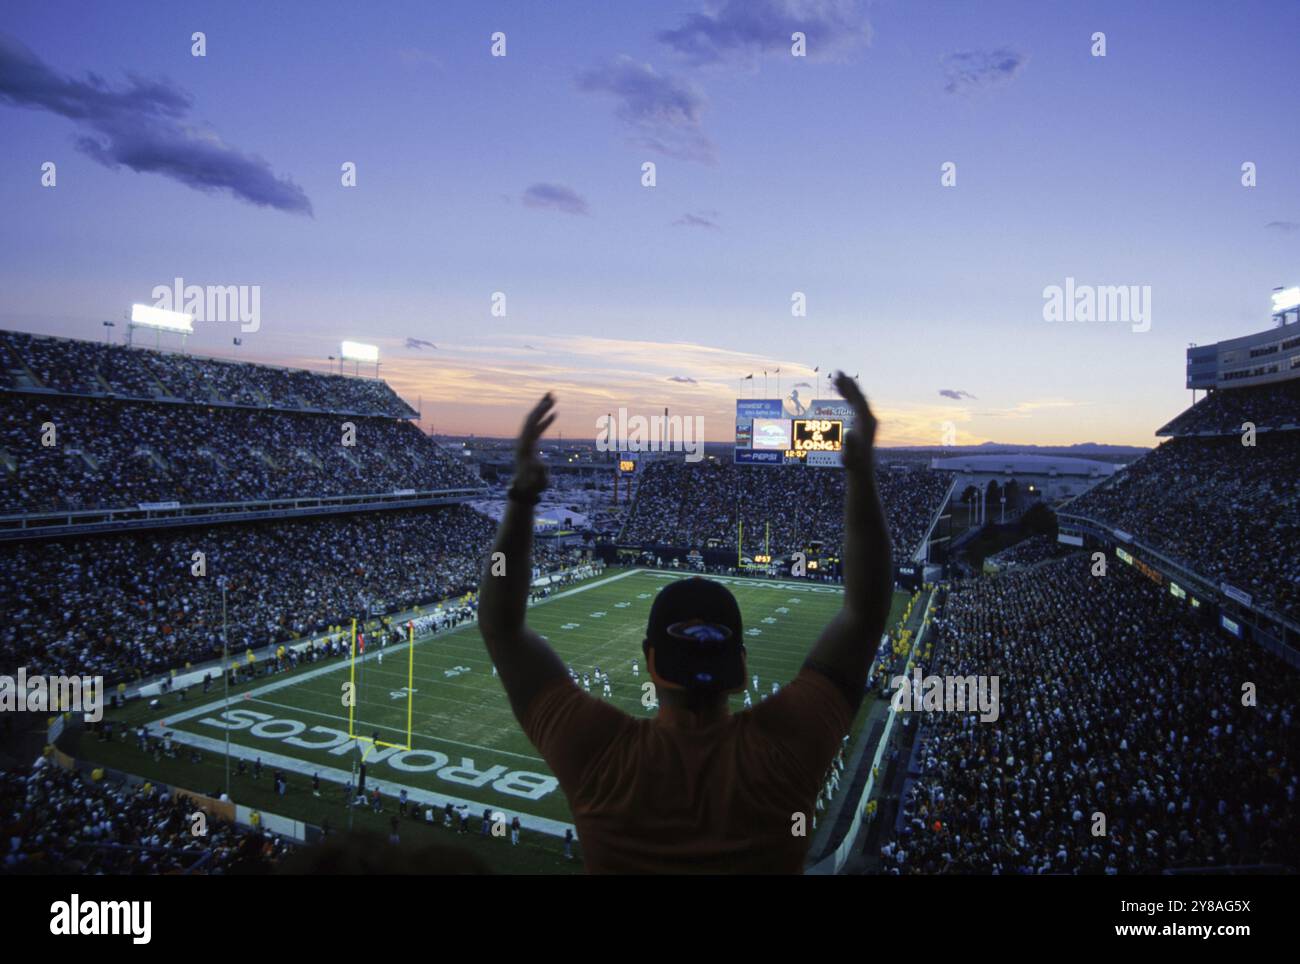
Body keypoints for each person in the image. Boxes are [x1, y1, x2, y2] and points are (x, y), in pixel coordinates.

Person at [477, 374, 893, 873]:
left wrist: (521, 497)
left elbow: (501, 627)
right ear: (740, 667)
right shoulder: (783, 756)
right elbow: (867, 610)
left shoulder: (602, 760)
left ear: (650, 661)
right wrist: (860, 474)